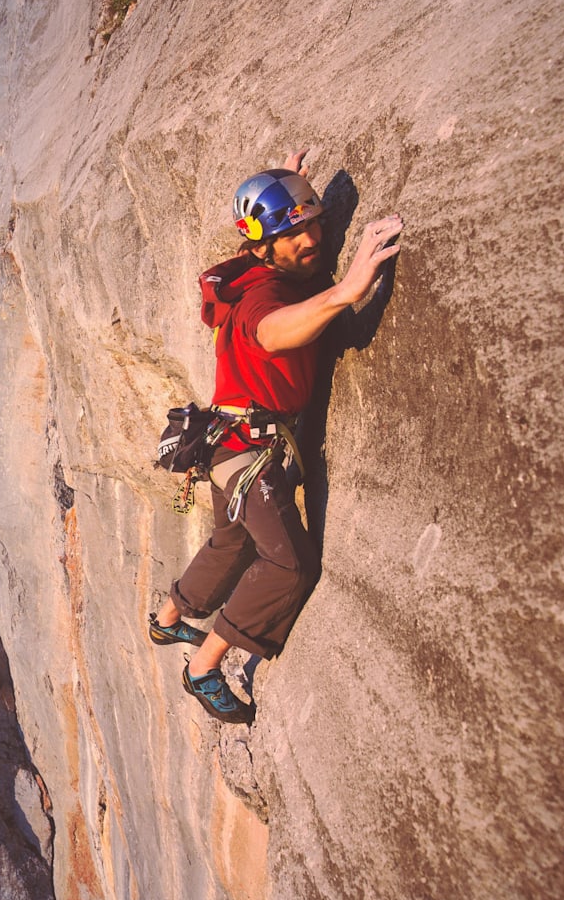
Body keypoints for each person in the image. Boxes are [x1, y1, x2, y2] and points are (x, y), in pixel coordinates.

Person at [150, 150, 403, 724]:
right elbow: (270, 332)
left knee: (231, 542)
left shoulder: (252, 270)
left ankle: (167, 621)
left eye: (315, 225)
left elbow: (267, 247)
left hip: (227, 442)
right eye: (294, 235)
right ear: (264, 248)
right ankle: (203, 668)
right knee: (289, 564)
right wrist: (346, 291)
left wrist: (287, 191)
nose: (312, 240)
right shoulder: (263, 296)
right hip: (247, 452)